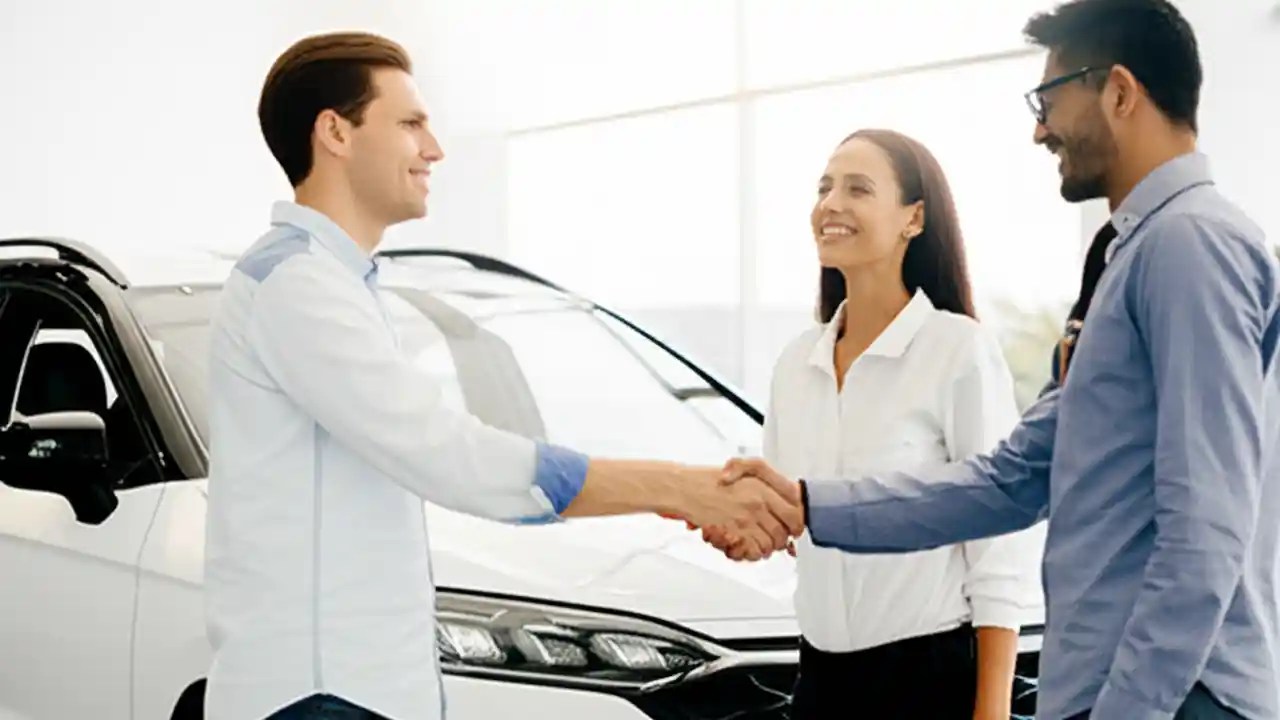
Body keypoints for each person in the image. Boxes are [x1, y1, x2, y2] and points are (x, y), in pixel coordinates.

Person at [705, 1, 1280, 719]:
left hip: (1171, 698)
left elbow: (1206, 529)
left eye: (1049, 99)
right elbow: (1012, 478)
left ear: (1119, 92)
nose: (1040, 129)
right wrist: (808, 504)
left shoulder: (1190, 246)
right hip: (1113, 688)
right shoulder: (1130, 257)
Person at [203, 32, 801, 720]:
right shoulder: (295, 285)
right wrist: (682, 489)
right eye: (410, 123)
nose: (434, 149)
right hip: (321, 694)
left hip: (358, 689)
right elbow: (450, 454)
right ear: (335, 132)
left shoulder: (339, 283)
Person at [737, 128, 1043, 719]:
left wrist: (991, 713)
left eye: (858, 189)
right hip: (819, 683)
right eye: (824, 187)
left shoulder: (957, 350)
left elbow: (999, 557)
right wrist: (738, 524)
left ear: (913, 218)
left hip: (929, 683)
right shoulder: (796, 362)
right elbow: (790, 525)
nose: (831, 204)